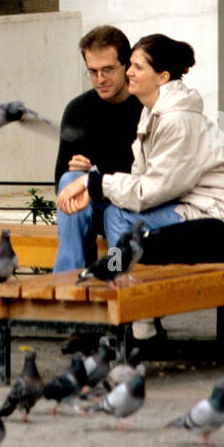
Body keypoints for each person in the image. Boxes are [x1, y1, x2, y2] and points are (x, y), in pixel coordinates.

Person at [57, 33, 224, 255]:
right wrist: (89, 181)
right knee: (90, 195)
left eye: (137, 67)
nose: (129, 72)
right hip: (200, 210)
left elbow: (149, 191)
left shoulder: (176, 121)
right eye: (93, 72)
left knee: (118, 215)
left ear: (162, 77)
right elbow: (146, 184)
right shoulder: (153, 112)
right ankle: (88, 279)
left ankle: (124, 283)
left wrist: (93, 181)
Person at [53, 26, 142, 272]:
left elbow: (146, 179)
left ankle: (114, 289)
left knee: (114, 211)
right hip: (89, 207)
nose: (100, 79)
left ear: (126, 65)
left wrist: (93, 175)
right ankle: (69, 281)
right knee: (71, 179)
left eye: (108, 70)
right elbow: (60, 181)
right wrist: (79, 176)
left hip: (132, 206)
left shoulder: (145, 107)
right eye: (93, 72)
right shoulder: (79, 109)